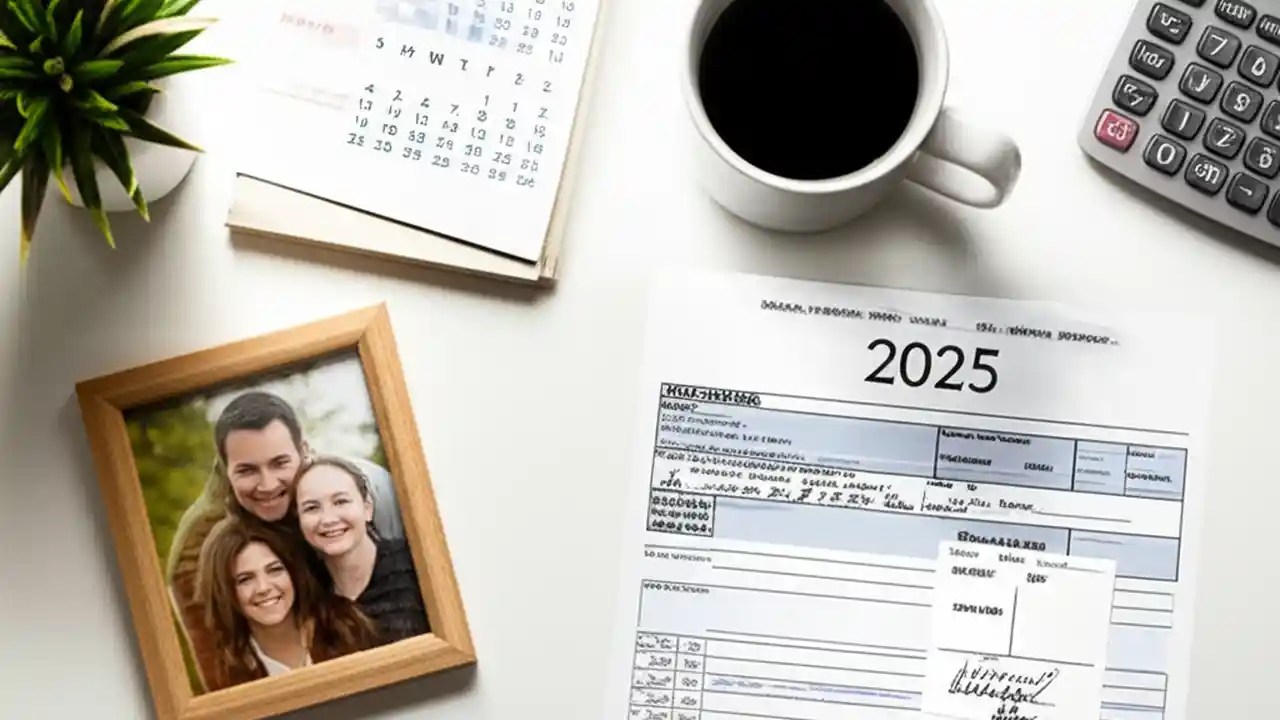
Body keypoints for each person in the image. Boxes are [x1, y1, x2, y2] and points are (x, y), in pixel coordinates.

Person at [166, 390, 402, 690]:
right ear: (227, 469)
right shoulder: (199, 544)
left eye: (279, 463)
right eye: (248, 470)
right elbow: (224, 671)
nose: (267, 485)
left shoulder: (367, 489)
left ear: (303, 452)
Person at [195, 516, 381, 690]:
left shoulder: (346, 627)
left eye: (275, 570)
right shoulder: (227, 670)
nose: (263, 587)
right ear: (224, 592)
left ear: (293, 572)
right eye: (245, 579)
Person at [292, 454, 430, 643]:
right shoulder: (306, 596)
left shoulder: (418, 565)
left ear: (367, 508)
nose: (328, 519)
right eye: (311, 508)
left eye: (341, 502)